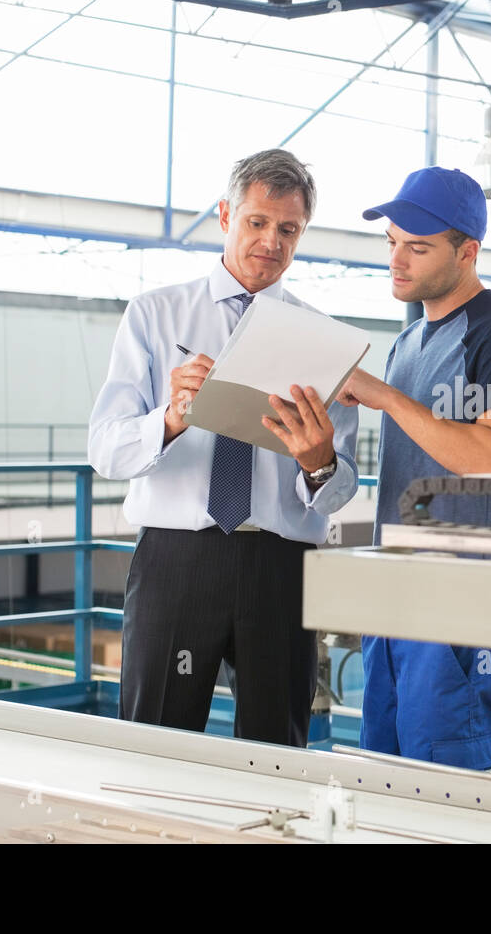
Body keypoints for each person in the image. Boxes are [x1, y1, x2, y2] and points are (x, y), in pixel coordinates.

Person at [88, 148, 358, 747]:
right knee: (157, 741)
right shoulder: (153, 316)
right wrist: (170, 417)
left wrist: (319, 464)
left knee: (279, 753)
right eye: (257, 222)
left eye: (288, 229)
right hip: (177, 561)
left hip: (280, 566)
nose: (271, 241)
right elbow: (105, 448)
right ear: (225, 215)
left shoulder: (324, 341)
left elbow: (338, 493)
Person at [338, 166, 491, 770]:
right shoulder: (406, 342)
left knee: (453, 786)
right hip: (394, 605)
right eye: (391, 243)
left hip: (458, 614)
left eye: (417, 248)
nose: (397, 260)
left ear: (467, 252)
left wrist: (387, 398)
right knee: (384, 783)